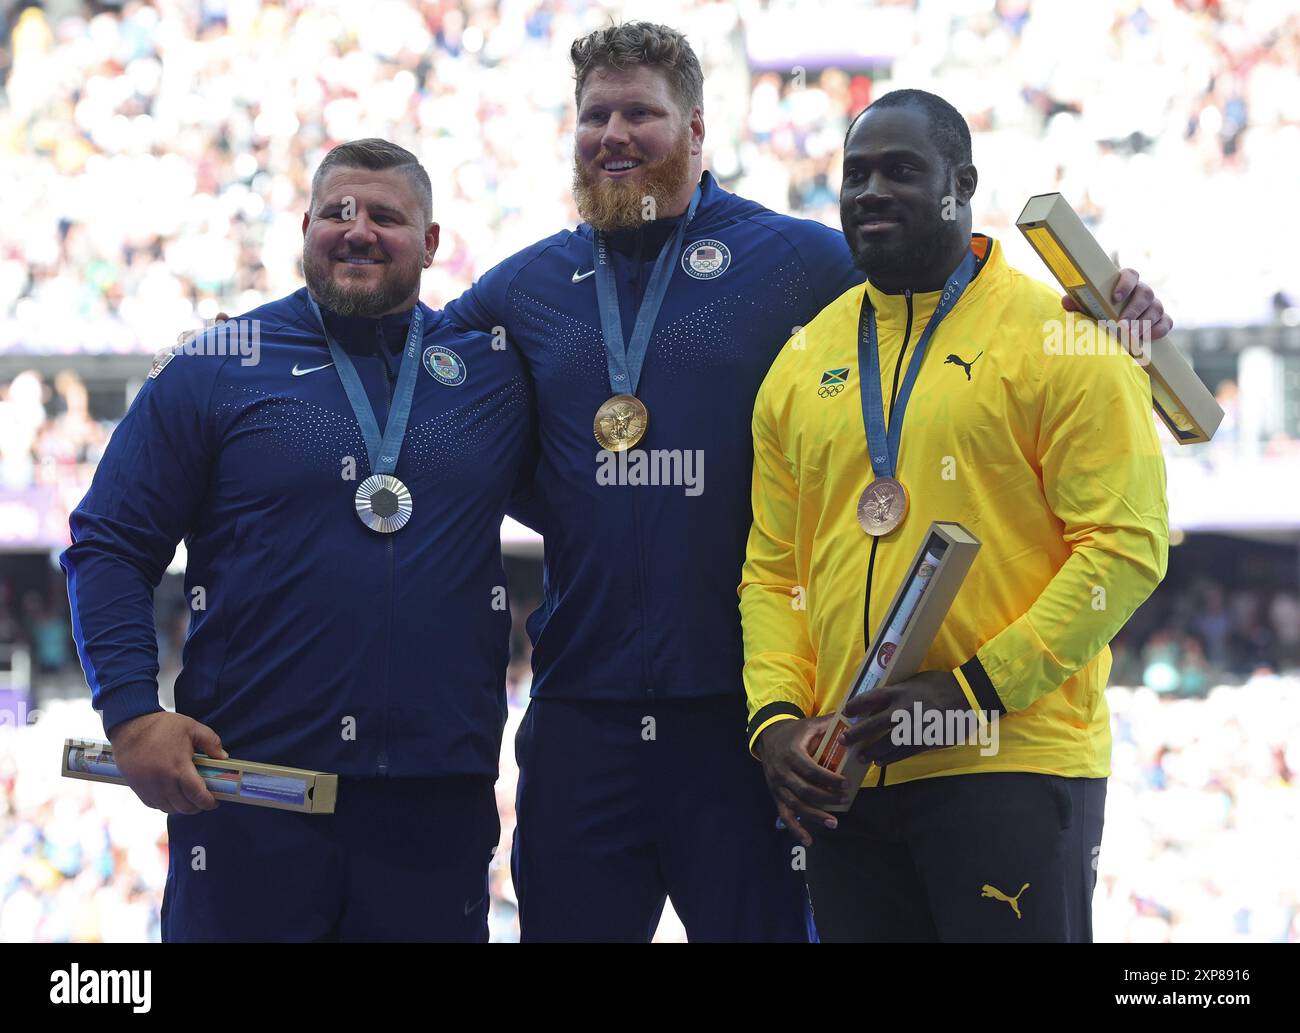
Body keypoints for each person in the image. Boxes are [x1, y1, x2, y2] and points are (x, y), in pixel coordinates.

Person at [442, 24, 1172, 942]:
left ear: (697, 128)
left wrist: (1120, 323)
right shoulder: (524, 286)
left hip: (765, 727)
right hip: (600, 712)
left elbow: (954, 292)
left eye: (642, 113)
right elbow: (411, 377)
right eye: (596, 115)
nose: (615, 134)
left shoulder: (804, 262)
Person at [61, 139, 534, 942]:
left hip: (434, 806)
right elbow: (108, 542)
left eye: (386, 215)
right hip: (248, 795)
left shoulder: (489, 370)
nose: (358, 231)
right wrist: (132, 713)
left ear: (431, 242)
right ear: (304, 225)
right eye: (337, 212)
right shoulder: (215, 364)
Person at [740, 90, 1170, 942]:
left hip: (1012, 759)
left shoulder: (1067, 339)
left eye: (900, 170)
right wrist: (777, 722)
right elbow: (773, 571)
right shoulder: (800, 361)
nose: (869, 191)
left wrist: (972, 692)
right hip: (848, 776)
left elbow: (1124, 549)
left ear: (961, 183)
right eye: (853, 174)